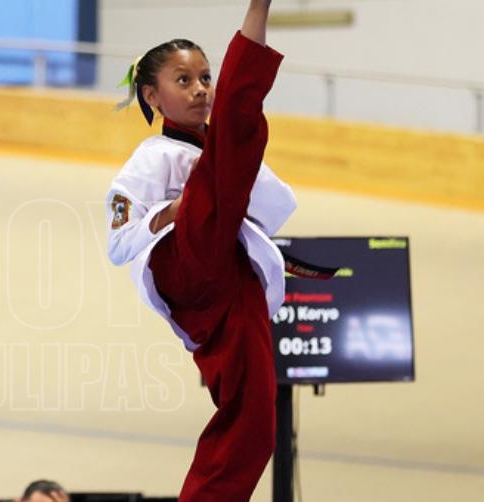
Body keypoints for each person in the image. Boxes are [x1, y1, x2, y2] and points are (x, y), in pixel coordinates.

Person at [106, 1, 294, 500]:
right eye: (183, 80)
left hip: (231, 286)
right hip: (187, 262)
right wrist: (175, 212)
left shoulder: (212, 157)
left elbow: (253, 206)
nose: (200, 89)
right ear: (152, 95)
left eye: (206, 78)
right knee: (234, 131)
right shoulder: (151, 159)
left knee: (255, 421)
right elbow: (119, 239)